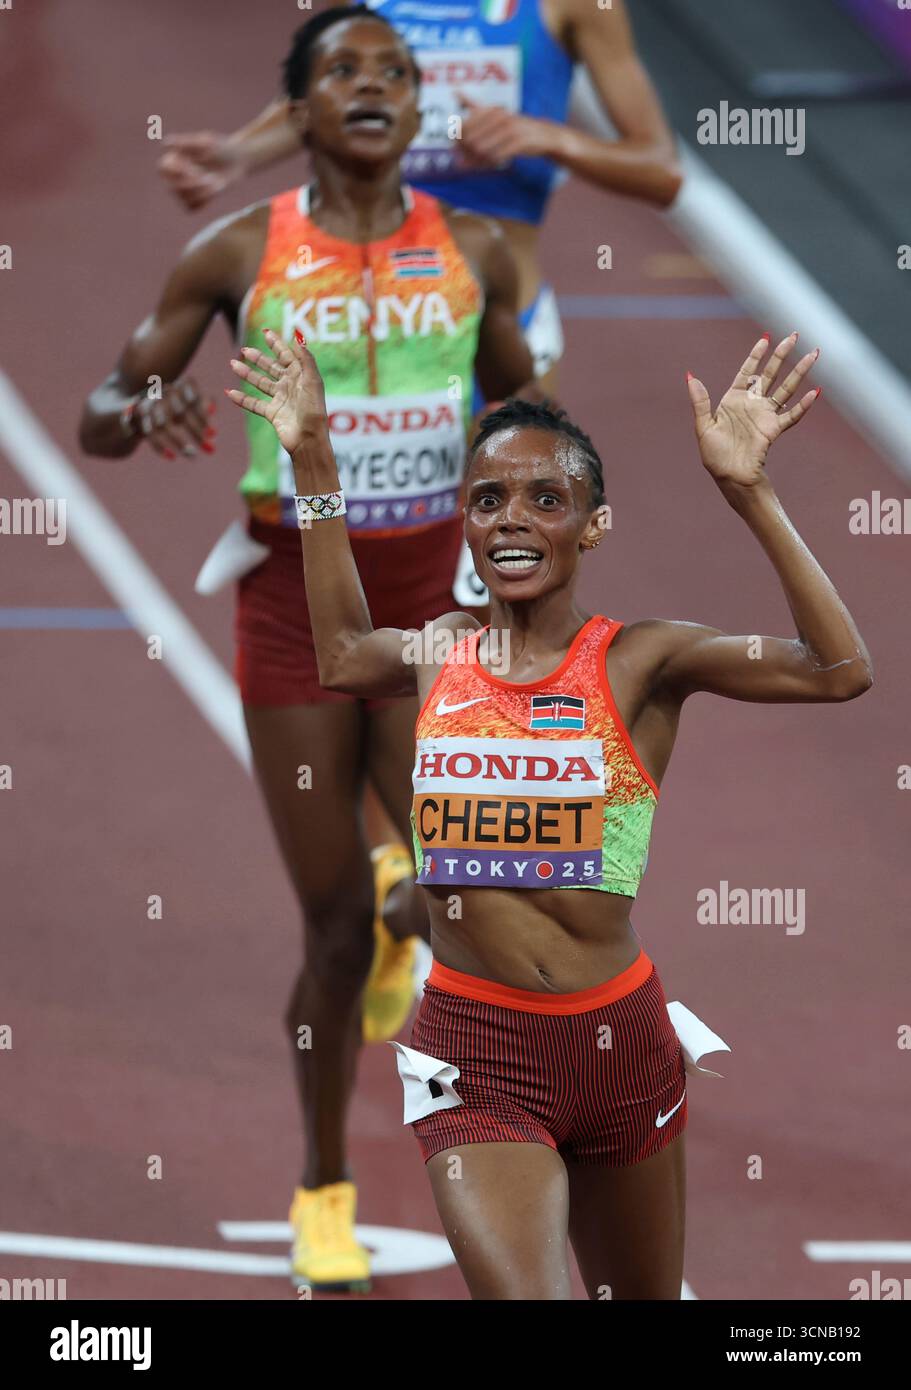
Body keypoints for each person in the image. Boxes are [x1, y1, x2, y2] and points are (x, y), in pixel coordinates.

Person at [224, 324, 871, 1298]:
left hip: (619, 1047)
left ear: (591, 524)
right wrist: (313, 457)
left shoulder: (639, 661)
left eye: (545, 497)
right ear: (467, 526)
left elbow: (837, 671)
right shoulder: (440, 651)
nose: (512, 518)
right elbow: (342, 653)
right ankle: (405, 927)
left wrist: (750, 492)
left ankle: (398, 914)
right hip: (476, 1054)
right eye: (487, 499)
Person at [79, 7, 540, 1293]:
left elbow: (519, 394)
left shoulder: (480, 251)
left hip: (429, 619)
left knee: (469, 886)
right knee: (334, 929)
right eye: (343, 70)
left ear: (415, 107)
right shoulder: (235, 253)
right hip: (293, 608)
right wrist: (148, 403)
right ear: (298, 110)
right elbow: (98, 413)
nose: (375, 85)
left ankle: (414, 908)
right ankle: (322, 1186)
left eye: (396, 70)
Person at [159, 0, 681, 399]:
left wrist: (546, 137)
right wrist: (238, 155)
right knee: (357, 526)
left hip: (506, 324)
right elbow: (325, 95)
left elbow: (661, 171)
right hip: (377, 324)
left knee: (505, 530)